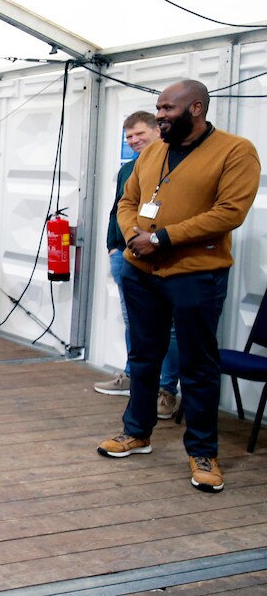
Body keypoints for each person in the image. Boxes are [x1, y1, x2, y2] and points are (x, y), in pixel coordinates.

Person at [97, 80, 259, 494]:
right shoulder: (153, 151)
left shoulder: (236, 151)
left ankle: (203, 453)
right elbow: (127, 201)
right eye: (159, 108)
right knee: (144, 356)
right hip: (140, 271)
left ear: (197, 108)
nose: (161, 115)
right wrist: (135, 234)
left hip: (195, 273)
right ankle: (137, 433)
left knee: (198, 365)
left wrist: (162, 238)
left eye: (168, 108)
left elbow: (229, 212)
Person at [93, 111, 182, 420]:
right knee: (134, 322)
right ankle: (134, 378)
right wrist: (113, 246)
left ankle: (166, 391)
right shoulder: (128, 170)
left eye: (139, 134)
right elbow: (118, 209)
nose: (133, 141)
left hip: (163, 256)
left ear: (158, 131)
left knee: (170, 328)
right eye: (128, 136)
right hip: (126, 255)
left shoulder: (175, 166)